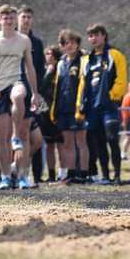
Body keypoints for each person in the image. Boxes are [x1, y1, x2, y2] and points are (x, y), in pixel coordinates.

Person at [0, 5, 42, 189]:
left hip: (17, 82)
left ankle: (23, 176)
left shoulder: (24, 40)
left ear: (15, 19)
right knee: (1, 136)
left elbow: (30, 67)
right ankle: (6, 176)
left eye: (11, 18)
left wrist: (35, 92)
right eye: (5, 18)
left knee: (19, 99)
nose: (8, 22)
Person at [82, 23, 127, 184]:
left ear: (103, 35)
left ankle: (118, 176)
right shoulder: (87, 59)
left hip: (109, 107)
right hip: (92, 108)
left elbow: (121, 79)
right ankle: (105, 176)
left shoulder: (115, 55)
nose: (93, 38)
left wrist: (112, 95)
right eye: (90, 36)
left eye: (96, 35)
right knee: (98, 142)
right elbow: (83, 83)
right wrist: (80, 104)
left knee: (112, 139)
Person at [50, 29, 89, 184]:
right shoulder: (61, 63)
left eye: (73, 42)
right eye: (66, 43)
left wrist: (82, 106)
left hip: (79, 107)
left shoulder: (84, 60)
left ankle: (84, 174)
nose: (70, 45)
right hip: (63, 108)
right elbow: (58, 87)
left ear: (78, 44)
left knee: (81, 141)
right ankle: (71, 173)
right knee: (67, 143)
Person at [18, 6, 46, 183]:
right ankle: (14, 172)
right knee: (19, 136)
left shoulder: (37, 43)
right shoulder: (10, 40)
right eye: (23, 17)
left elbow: (39, 71)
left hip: (33, 95)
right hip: (13, 92)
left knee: (36, 139)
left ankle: (26, 172)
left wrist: (38, 93)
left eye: (29, 17)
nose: (26, 20)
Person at [37, 45, 64, 180]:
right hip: (45, 112)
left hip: (58, 112)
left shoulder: (61, 70)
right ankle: (51, 175)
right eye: (47, 53)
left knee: (61, 145)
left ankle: (63, 174)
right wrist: (48, 73)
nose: (50, 56)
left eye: (52, 54)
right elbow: (40, 89)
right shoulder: (43, 71)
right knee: (49, 146)